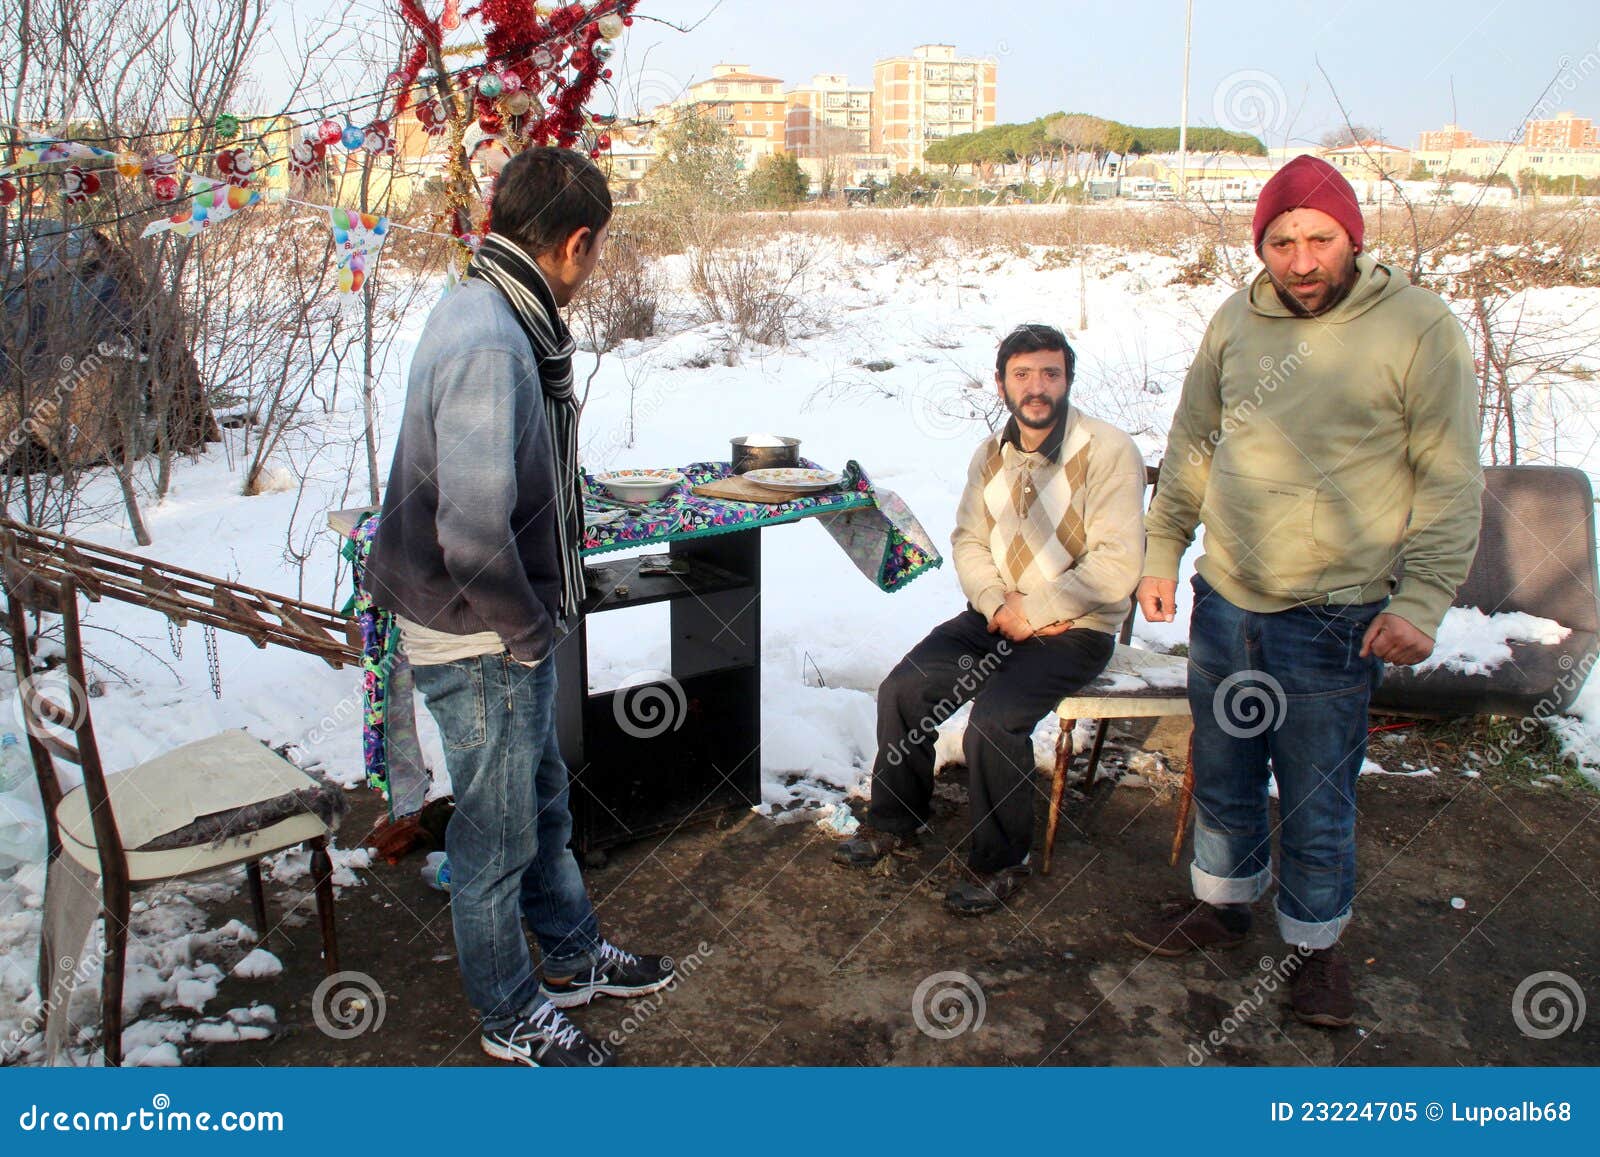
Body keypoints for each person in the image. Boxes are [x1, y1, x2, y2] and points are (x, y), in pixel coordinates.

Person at [1127, 155, 1483, 1027]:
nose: (1301, 261)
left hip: (1336, 615)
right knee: (1224, 771)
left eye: (1320, 239)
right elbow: (1191, 445)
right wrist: (1163, 551)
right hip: (1227, 600)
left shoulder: (1418, 327)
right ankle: (1223, 906)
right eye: (1281, 243)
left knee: (1319, 796)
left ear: (1353, 237)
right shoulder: (1234, 320)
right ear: (1261, 246)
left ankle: (1316, 950)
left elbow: (1448, 478)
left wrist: (1422, 599)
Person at [365, 148, 673, 1067]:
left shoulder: (491, 307)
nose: (595, 265)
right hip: (480, 633)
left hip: (492, 627)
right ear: (576, 243)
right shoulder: (491, 340)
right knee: (495, 839)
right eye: (598, 249)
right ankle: (509, 1011)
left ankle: (572, 953)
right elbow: (471, 532)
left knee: (539, 804)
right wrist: (530, 634)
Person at [835, 324, 1147, 915]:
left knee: (994, 722)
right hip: (996, 616)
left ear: (1068, 380)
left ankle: (1000, 862)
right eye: (1022, 374)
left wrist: (1041, 610)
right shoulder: (990, 454)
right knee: (904, 689)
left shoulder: (1108, 450)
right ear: (1001, 383)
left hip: (1075, 628)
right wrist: (998, 604)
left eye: (1050, 373)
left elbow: (1117, 564)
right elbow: (969, 540)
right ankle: (896, 821)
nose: (1037, 387)